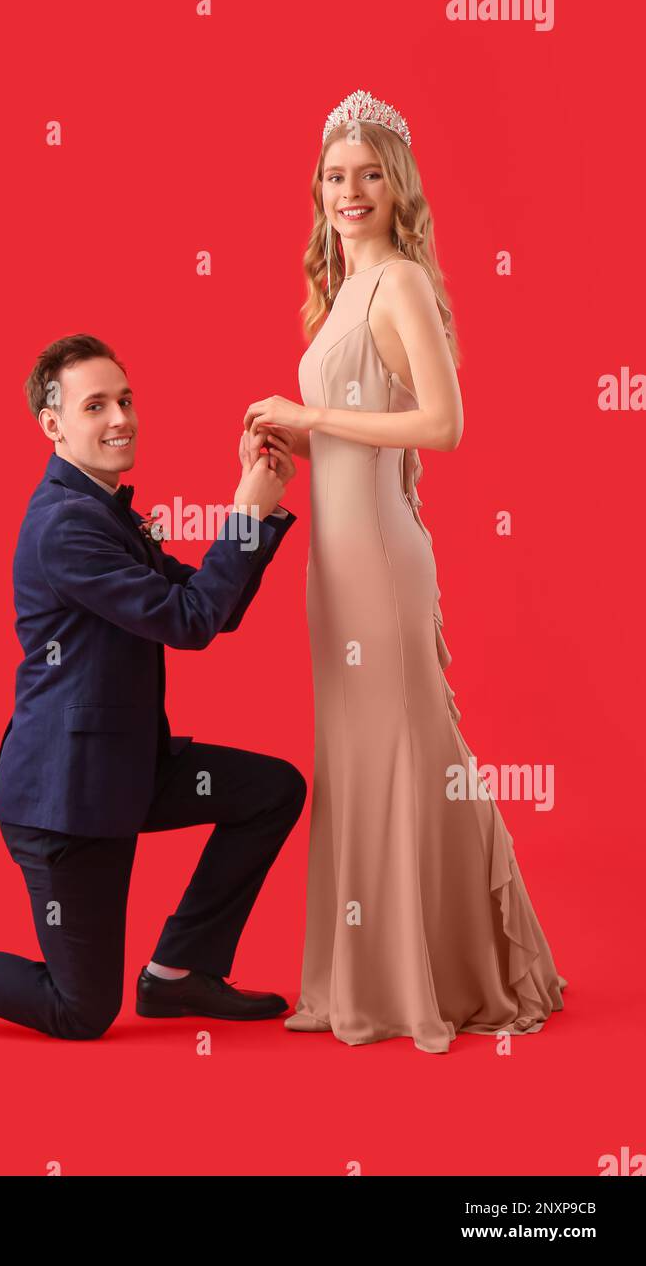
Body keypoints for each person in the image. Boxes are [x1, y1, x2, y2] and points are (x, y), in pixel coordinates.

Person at [0, 334, 306, 1038]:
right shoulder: (66, 527)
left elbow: (207, 608)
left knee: (273, 789)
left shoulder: (102, 512)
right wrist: (244, 513)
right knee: (81, 1010)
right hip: (67, 801)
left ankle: (178, 971)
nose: (120, 419)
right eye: (95, 405)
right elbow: (191, 623)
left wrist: (263, 515)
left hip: (127, 769)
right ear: (53, 425)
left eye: (126, 400)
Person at [245, 89, 567, 1054]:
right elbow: (349, 438)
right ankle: (372, 972)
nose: (350, 191)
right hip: (333, 564)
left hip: (381, 561)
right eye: (336, 176)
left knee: (406, 754)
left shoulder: (402, 285)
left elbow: (444, 425)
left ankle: (434, 975)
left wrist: (314, 420)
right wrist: (284, 449)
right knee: (358, 760)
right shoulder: (339, 289)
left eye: (369, 175)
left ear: (397, 189)